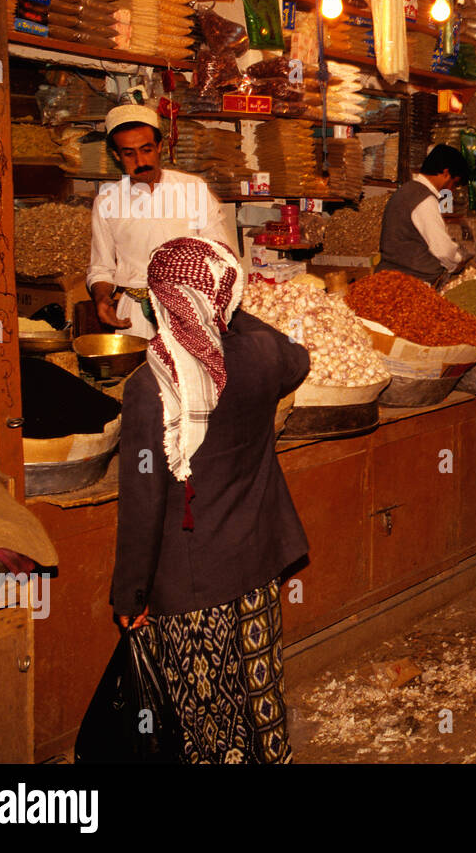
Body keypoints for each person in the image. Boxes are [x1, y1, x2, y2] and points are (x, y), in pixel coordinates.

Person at [111, 236, 310, 763]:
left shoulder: (150, 387)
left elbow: (142, 506)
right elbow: (298, 356)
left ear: (159, 298)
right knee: (263, 704)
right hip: (257, 569)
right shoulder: (262, 357)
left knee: (208, 721)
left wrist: (130, 599)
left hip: (191, 587)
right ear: (225, 294)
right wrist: (230, 315)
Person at [87, 104, 235, 339]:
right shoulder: (107, 201)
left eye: (146, 150)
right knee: (138, 375)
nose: (140, 160)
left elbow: (221, 253)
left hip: (191, 308)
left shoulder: (192, 189)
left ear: (159, 147)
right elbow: (101, 268)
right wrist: (102, 298)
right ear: (116, 156)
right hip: (135, 314)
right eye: (129, 153)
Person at [376, 144, 470, 285]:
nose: (451, 189)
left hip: (390, 275)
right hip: (409, 282)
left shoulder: (406, 190)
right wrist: (458, 261)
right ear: (445, 173)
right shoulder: (425, 200)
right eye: (454, 183)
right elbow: (442, 250)